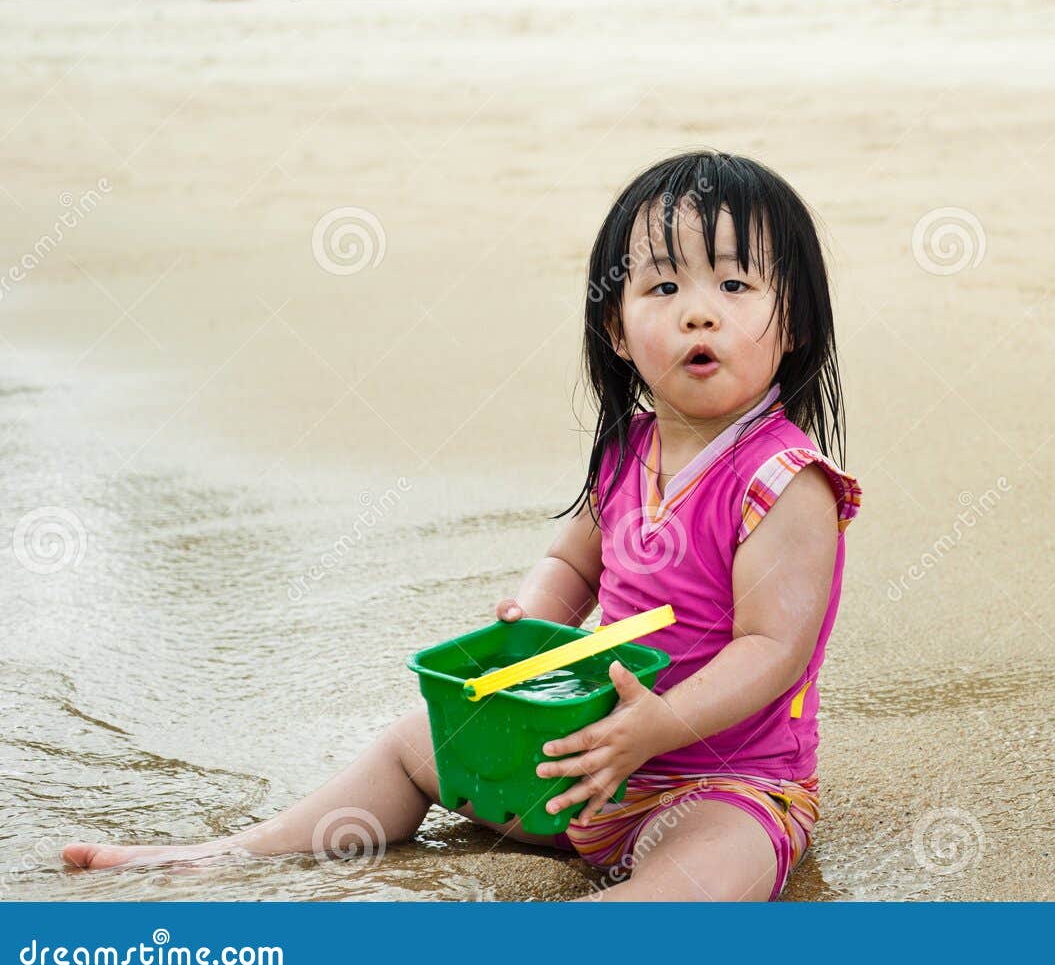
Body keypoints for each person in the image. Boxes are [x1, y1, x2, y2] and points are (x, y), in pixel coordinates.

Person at [62, 151, 863, 902]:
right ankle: (239, 850)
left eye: (733, 286)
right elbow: (576, 568)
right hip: (583, 768)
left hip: (723, 783)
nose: (698, 314)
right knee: (412, 748)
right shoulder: (626, 450)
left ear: (793, 320)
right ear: (617, 332)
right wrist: (527, 630)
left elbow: (771, 647)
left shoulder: (784, 481)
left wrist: (658, 725)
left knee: (696, 878)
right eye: (663, 290)